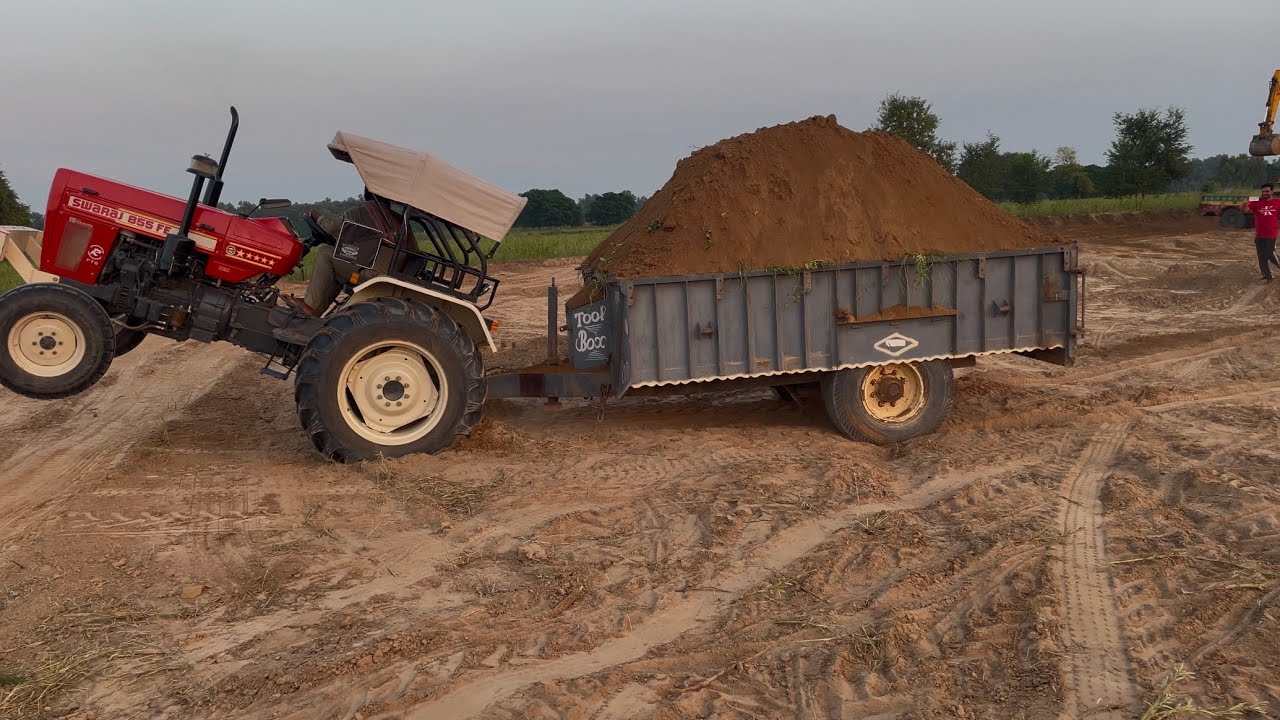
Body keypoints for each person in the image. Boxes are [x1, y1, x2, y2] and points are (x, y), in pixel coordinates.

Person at [283, 193, 409, 316]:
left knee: (325, 252)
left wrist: (315, 214)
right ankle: (314, 312)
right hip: (387, 274)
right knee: (337, 266)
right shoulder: (397, 219)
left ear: (367, 194)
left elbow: (332, 227)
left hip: (372, 276)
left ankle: (310, 305)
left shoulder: (362, 212)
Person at [1246, 182, 1280, 283]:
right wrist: (1244, 203)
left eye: (1267, 191)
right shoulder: (1256, 201)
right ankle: (1267, 276)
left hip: (1271, 233)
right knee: (1261, 256)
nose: (1264, 193)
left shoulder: (1278, 202)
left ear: (1272, 191)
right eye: (1263, 191)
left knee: (1270, 254)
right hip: (1259, 234)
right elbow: (1245, 210)